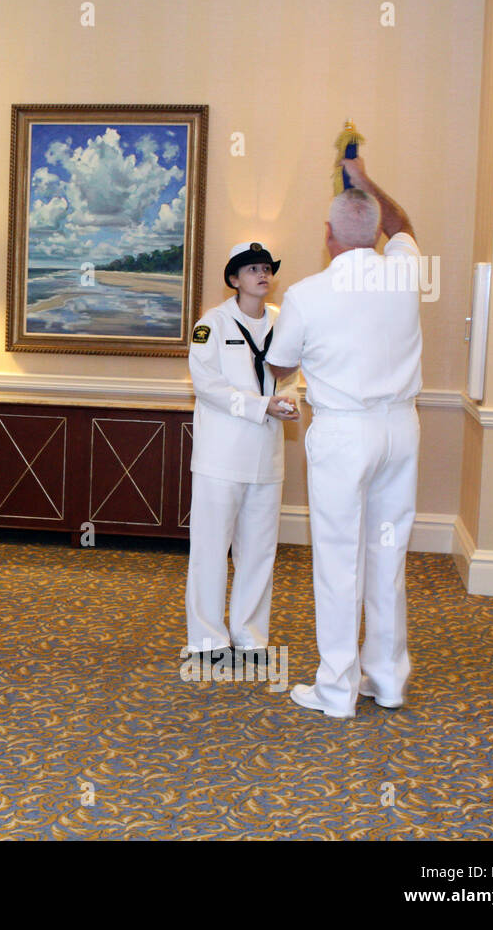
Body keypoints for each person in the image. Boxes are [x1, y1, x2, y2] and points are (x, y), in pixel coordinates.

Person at [268, 157, 422, 718]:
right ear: (374, 230)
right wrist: (365, 180)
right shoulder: (406, 271)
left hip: (342, 433)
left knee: (339, 558)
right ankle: (387, 679)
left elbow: (281, 367)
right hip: (400, 429)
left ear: (328, 236)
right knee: (388, 552)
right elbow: (403, 224)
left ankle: (336, 689)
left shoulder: (307, 295)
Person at [184, 242, 298, 669]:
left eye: (266, 268)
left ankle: (249, 635)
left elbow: (290, 374)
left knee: (259, 551)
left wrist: (288, 401)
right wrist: (259, 405)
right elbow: (207, 386)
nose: (262, 275)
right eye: (252, 269)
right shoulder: (210, 324)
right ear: (234, 279)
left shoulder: (283, 322)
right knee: (211, 548)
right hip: (221, 456)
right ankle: (207, 639)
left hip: (267, 455)